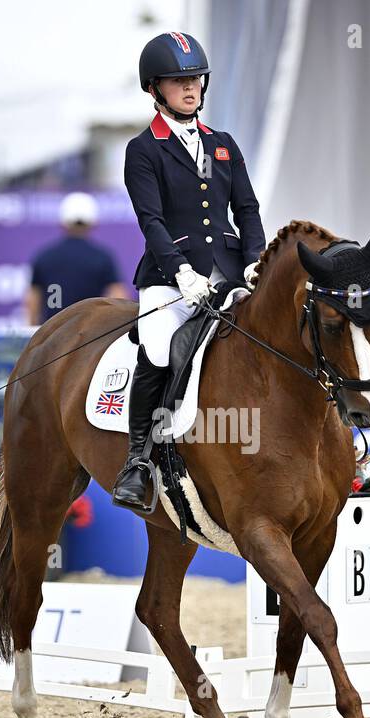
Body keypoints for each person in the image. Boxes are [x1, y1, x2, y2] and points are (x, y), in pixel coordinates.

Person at [111, 31, 266, 512]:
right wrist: (180, 273)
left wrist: (257, 260)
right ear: (154, 88)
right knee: (158, 350)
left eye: (195, 78)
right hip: (167, 280)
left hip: (231, 271)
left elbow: (248, 208)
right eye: (178, 81)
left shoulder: (223, 144)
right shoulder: (144, 149)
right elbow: (150, 221)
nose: (190, 87)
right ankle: (138, 462)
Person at [25, 192, 128, 325]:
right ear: (93, 222)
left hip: (53, 335)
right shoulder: (102, 257)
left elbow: (33, 303)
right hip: (89, 335)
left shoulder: (45, 256)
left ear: (63, 222)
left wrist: (34, 333)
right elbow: (119, 297)